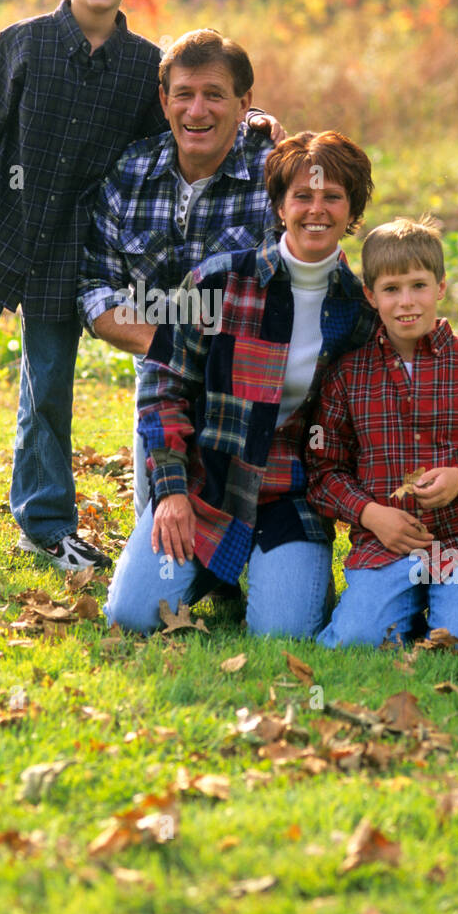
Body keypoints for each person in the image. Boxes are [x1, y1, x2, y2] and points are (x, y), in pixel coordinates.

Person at [0, 0, 275, 569]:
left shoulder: (142, 69)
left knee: (47, 389)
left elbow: (186, 121)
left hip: (67, 249)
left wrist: (257, 124)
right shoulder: (22, 43)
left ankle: (45, 524)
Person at [104, 131, 377, 637]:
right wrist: (170, 493)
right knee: (133, 617)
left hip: (291, 497)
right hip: (207, 484)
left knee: (283, 633)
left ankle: (287, 570)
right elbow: (162, 387)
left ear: (351, 208)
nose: (316, 210)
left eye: (332, 196)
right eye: (302, 195)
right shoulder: (218, 281)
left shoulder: (360, 312)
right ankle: (210, 572)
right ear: (278, 205)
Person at [78, 28, 280, 519]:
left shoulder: (276, 173)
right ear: (164, 100)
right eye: (184, 95)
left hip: (251, 380)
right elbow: (92, 284)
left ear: (243, 102)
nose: (197, 111)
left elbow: (291, 290)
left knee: (242, 524)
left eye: (215, 95)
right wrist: (166, 348)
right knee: (162, 544)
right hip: (159, 371)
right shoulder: (131, 171)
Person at [308, 215, 458, 649]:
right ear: (370, 296)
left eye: (418, 286)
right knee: (356, 640)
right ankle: (395, 606)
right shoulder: (347, 375)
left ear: (441, 288)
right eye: (391, 289)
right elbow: (322, 470)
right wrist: (370, 514)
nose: (406, 302)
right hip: (385, 541)